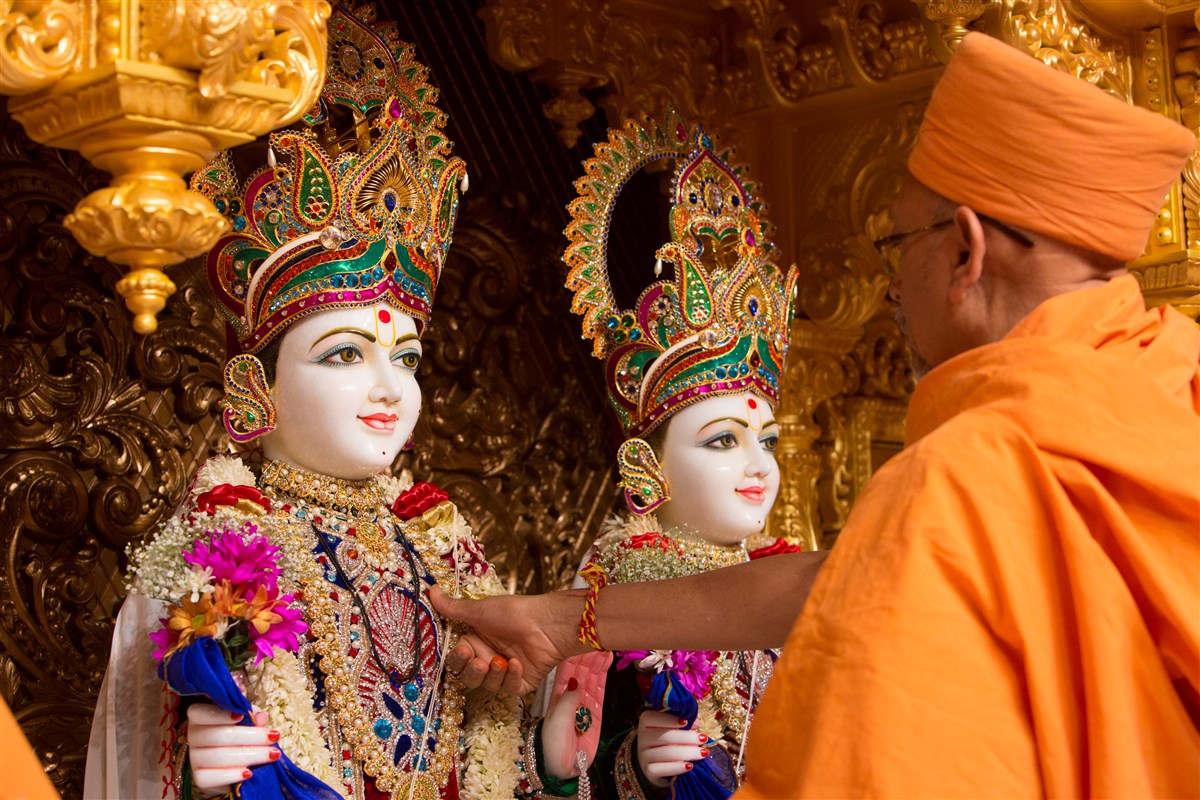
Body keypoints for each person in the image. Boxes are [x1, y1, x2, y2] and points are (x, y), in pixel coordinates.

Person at [432, 31, 1200, 798]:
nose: (894, 288)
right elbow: (841, 583)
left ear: (965, 251)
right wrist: (560, 622)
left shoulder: (964, 475)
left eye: (896, 242)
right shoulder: (1169, 386)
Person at [83, 6, 581, 798]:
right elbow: (148, 746)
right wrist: (201, 761)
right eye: (345, 354)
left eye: (406, 358)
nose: (389, 386)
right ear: (256, 386)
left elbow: (500, 743)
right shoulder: (222, 542)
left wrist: (555, 747)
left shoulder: (446, 550)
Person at [540, 111, 812, 799]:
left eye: (767, 441)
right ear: (647, 468)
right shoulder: (613, 596)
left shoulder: (790, 584)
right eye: (724, 440)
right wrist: (636, 765)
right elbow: (554, 769)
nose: (759, 465)